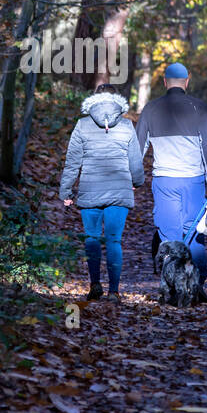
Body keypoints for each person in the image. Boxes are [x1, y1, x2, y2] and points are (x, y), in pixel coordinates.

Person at [136, 62, 207, 303]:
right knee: (194, 236)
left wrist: (133, 177)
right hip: (193, 181)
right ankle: (197, 287)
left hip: (164, 181)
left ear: (164, 82)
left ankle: (172, 290)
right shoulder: (200, 108)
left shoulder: (150, 109)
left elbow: (138, 148)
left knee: (169, 237)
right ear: (187, 81)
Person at [59, 84, 145, 303]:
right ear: (116, 100)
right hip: (119, 189)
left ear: (94, 99)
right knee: (114, 240)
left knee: (92, 238)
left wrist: (66, 190)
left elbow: (72, 162)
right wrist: (137, 181)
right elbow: (135, 161)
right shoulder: (126, 125)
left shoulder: (82, 125)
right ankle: (114, 292)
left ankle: (95, 284)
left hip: (90, 189)